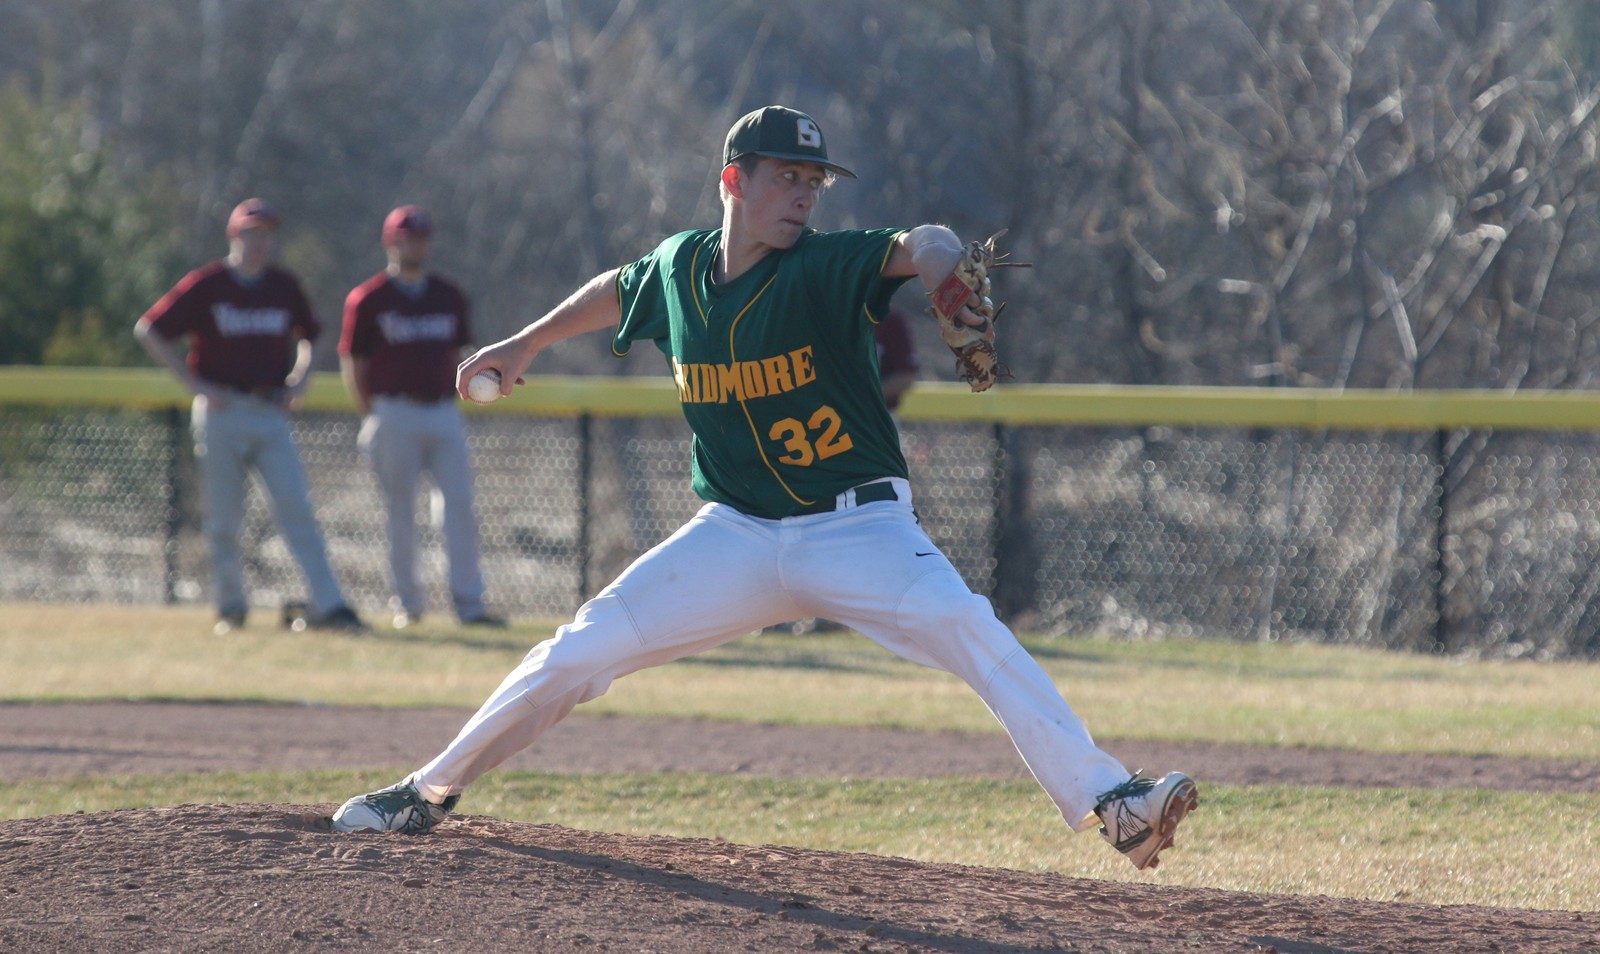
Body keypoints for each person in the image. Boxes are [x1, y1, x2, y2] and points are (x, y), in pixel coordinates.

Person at [331, 106, 1198, 870]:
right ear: (733, 180)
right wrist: (521, 345)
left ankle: (1113, 802)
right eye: (787, 176)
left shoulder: (823, 267)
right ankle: (428, 791)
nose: (804, 194)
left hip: (859, 530)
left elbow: (919, 241)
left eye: (814, 180)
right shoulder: (679, 268)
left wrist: (941, 272)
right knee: (577, 651)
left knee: (968, 628)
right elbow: (617, 289)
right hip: (735, 534)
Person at [134, 198, 368, 635]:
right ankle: (231, 609)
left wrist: (299, 380)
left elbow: (311, 334)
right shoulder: (208, 284)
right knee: (224, 518)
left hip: (268, 409)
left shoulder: (282, 285)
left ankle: (331, 605)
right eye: (250, 233)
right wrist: (193, 384)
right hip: (222, 409)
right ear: (233, 236)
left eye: (265, 234)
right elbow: (150, 329)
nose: (259, 241)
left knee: (297, 509)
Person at [339, 206, 504, 629]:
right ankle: (408, 604)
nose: (415, 244)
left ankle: (469, 605)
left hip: (443, 409)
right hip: (393, 409)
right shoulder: (370, 298)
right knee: (400, 511)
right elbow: (353, 362)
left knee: (459, 506)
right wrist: (371, 412)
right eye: (407, 237)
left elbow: (459, 353)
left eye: (421, 237)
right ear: (390, 242)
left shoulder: (448, 295)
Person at [874, 302, 920, 418]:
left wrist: (863, 395)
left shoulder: (889, 319)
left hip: (877, 416)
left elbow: (906, 376)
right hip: (828, 415)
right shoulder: (829, 316)